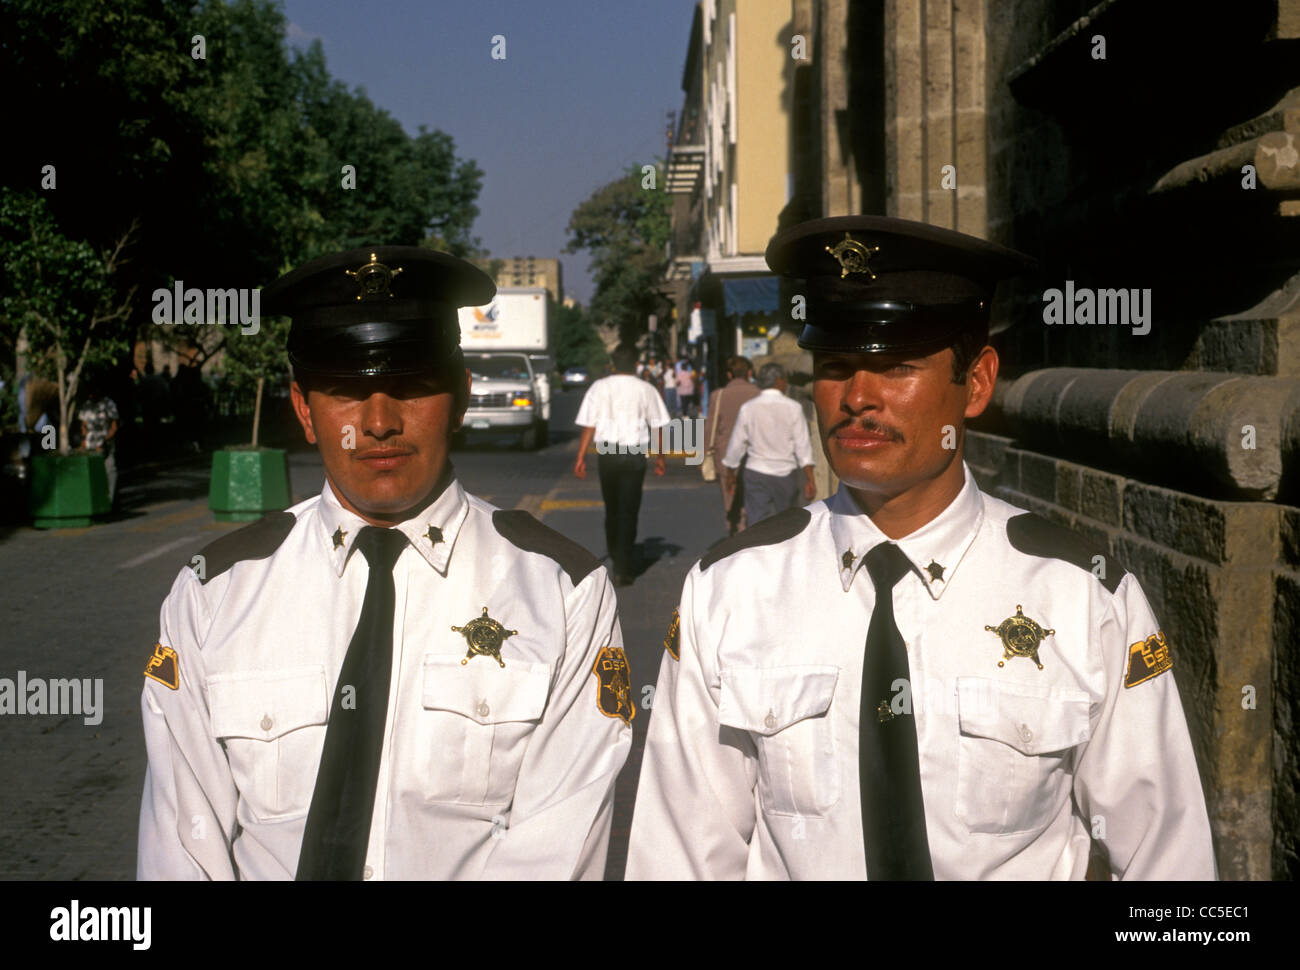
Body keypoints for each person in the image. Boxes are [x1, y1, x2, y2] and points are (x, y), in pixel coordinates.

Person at [626, 215, 1216, 880]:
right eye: (835, 366)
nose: (858, 398)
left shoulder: (1083, 596)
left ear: (979, 382)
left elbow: (1170, 860)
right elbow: (680, 853)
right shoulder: (730, 590)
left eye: (897, 366)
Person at [138, 247, 633, 880]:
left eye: (409, 384)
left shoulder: (562, 593)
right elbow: (183, 843)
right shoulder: (215, 594)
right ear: (302, 409)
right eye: (346, 390)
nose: (378, 422)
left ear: (459, 396)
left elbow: (554, 849)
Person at [573, 344, 671, 587]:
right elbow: (658, 425)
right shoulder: (646, 389)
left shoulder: (600, 387)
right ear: (637, 364)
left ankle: (616, 555)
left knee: (612, 507)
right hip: (635, 454)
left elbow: (589, 424)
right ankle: (624, 568)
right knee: (629, 509)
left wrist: (581, 456)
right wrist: (660, 457)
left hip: (608, 453)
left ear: (613, 364)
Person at [721, 362, 816, 528]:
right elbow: (803, 446)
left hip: (756, 472)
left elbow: (737, 444)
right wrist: (810, 479)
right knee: (786, 524)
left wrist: (730, 474)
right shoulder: (793, 408)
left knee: (757, 523)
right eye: (785, 380)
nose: (786, 384)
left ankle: (759, 552)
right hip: (785, 473)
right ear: (778, 381)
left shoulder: (748, 408)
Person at [705, 356, 760, 534]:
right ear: (749, 373)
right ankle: (751, 532)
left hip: (725, 453)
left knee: (730, 497)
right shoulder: (759, 393)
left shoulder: (718, 396)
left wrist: (705, 452)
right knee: (753, 496)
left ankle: (735, 533)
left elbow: (710, 427)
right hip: (755, 452)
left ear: (729, 374)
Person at [77, 383, 120, 505]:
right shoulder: (87, 406)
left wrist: (105, 441)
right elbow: (83, 425)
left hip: (105, 442)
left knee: (109, 470)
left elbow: (114, 426)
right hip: (91, 443)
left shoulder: (108, 404)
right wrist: (84, 440)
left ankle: (110, 501)